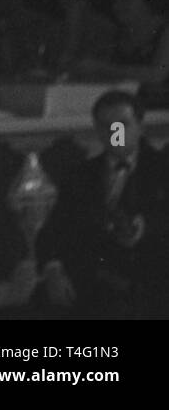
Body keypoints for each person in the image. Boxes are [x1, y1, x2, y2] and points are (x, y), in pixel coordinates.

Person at [35, 90, 169, 315]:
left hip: (151, 277)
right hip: (93, 280)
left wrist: (146, 226)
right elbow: (53, 229)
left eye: (122, 124)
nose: (115, 133)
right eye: (107, 126)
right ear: (97, 130)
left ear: (140, 127)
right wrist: (53, 270)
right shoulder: (81, 175)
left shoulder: (162, 168)